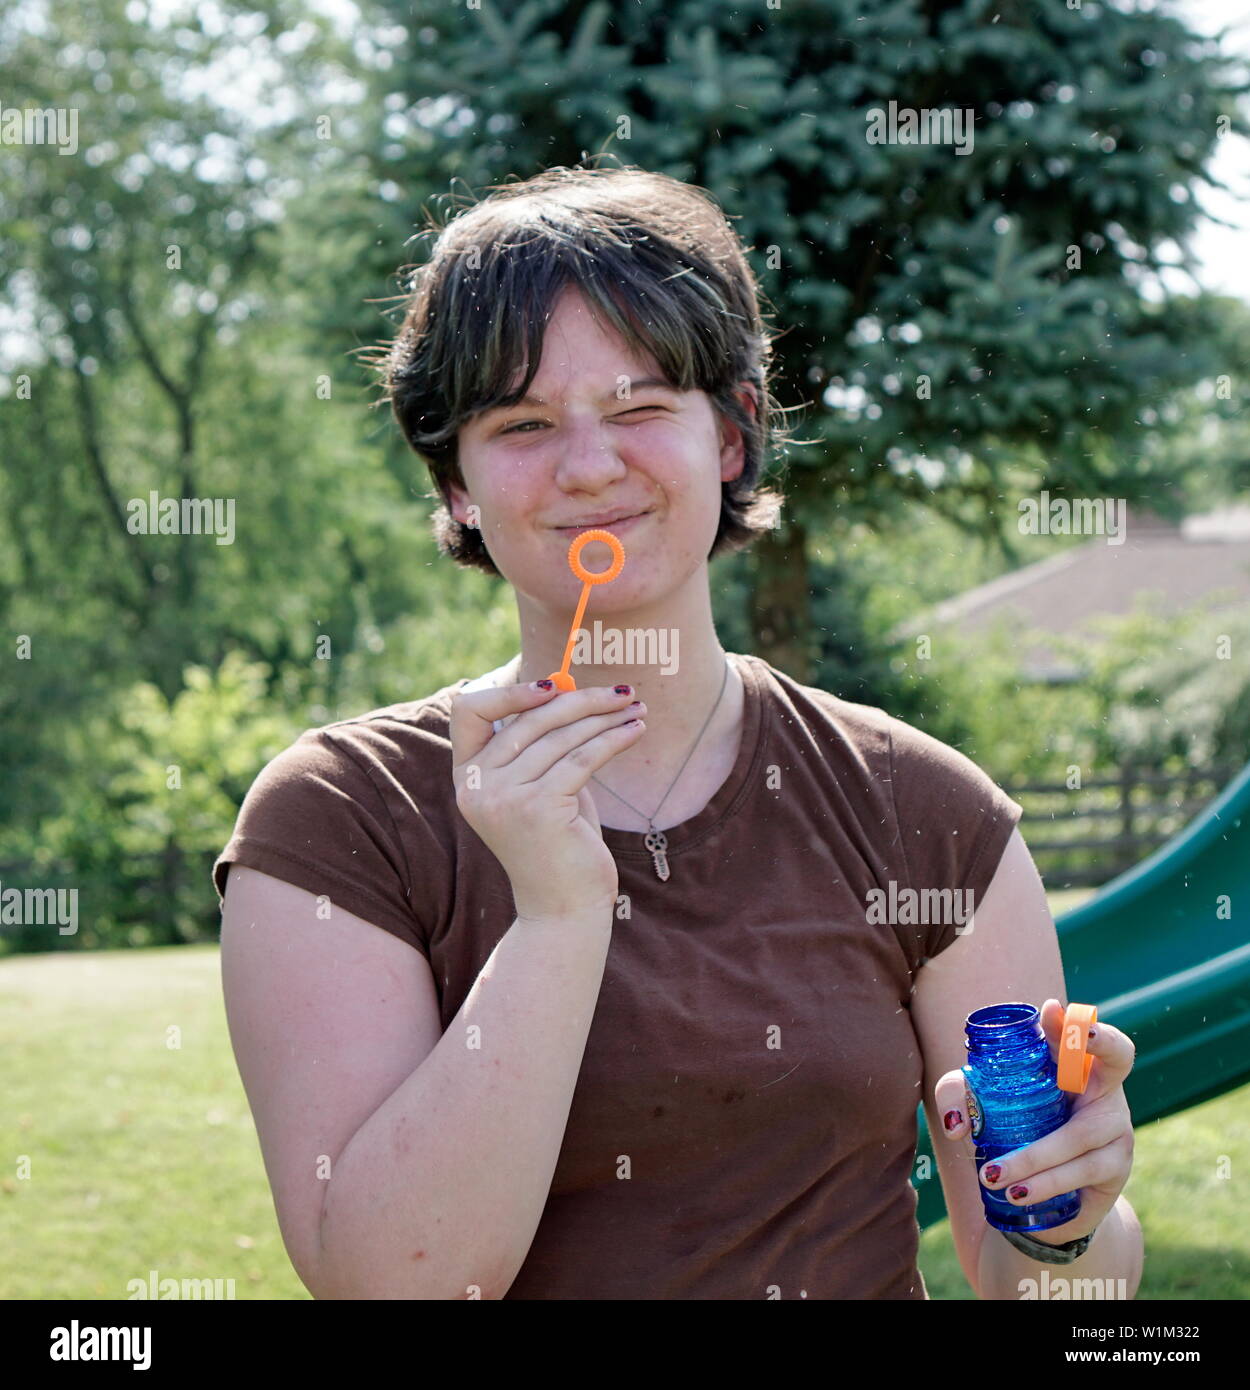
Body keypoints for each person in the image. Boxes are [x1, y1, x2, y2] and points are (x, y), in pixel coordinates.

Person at [215, 164, 1142, 1300]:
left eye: (641, 407)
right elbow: (393, 1285)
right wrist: (556, 919)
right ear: (454, 480)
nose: (590, 464)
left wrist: (1068, 1222)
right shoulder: (342, 818)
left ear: (733, 434)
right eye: (521, 422)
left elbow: (1039, 1292)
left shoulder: (923, 811)